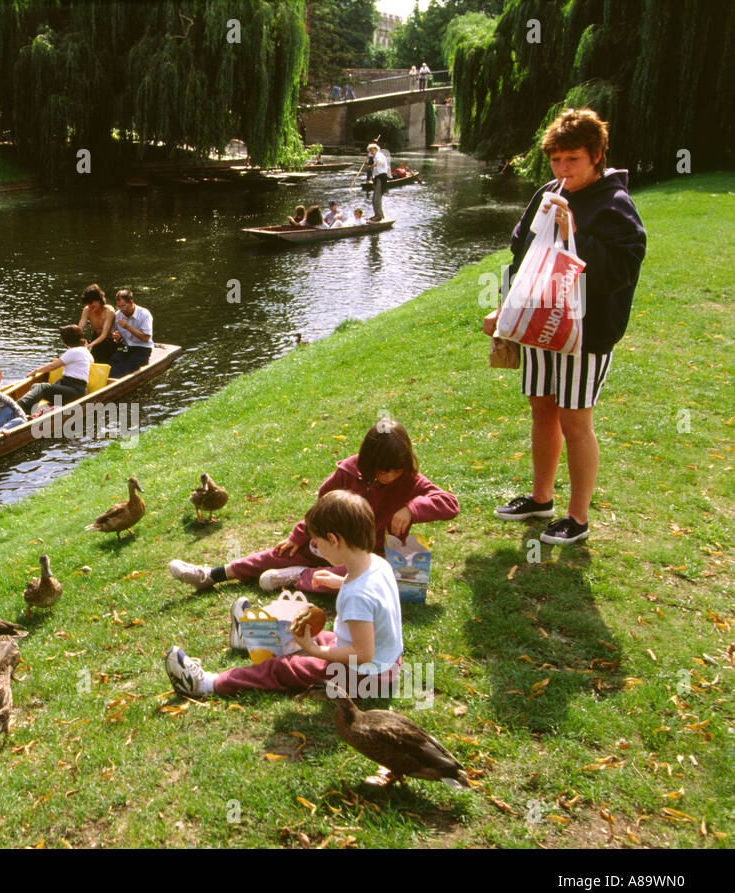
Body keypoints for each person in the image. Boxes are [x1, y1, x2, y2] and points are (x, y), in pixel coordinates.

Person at [490, 108, 646, 545]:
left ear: (597, 156)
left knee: (575, 420)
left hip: (586, 333)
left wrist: (576, 233)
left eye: (572, 159)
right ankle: (542, 499)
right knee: (542, 407)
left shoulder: (616, 205)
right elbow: (521, 254)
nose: (563, 169)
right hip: (539, 325)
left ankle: (578, 518)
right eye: (556, 160)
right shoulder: (548, 192)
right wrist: (504, 310)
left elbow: (621, 272)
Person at [168, 420, 459, 594]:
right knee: (276, 554)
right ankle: (213, 574)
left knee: (358, 581)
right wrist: (299, 536)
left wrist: (412, 509)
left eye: (396, 471)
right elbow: (321, 508)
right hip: (327, 545)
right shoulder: (348, 472)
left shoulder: (409, 480)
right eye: (383, 471)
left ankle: (298, 577)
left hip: (365, 557)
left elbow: (449, 503)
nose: (390, 477)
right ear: (368, 462)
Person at [164, 490, 403, 699]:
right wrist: (341, 581)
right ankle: (252, 637)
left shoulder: (356, 597)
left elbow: (362, 654)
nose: (316, 549)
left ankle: (205, 683)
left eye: (318, 543)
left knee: (284, 668)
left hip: (366, 678)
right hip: (386, 663)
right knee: (309, 634)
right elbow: (373, 598)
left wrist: (315, 651)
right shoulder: (377, 564)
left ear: (333, 540)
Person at [16, 324, 93, 414]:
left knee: (43, 387)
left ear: (66, 340)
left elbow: (53, 366)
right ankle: (28, 412)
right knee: (35, 387)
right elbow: (90, 361)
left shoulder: (74, 351)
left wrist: (36, 371)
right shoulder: (85, 351)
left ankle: (18, 407)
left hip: (75, 391)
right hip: (74, 389)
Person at [108, 289, 154, 379]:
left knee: (131, 366)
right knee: (114, 360)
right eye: (119, 307)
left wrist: (128, 327)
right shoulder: (118, 315)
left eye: (124, 306)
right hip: (126, 347)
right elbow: (111, 333)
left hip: (142, 348)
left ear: (131, 302)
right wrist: (114, 336)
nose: (122, 310)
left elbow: (146, 338)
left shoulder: (144, 314)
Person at [77, 283, 119, 364]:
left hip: (109, 340)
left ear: (99, 300)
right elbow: (80, 327)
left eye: (91, 303)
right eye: (87, 303)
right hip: (95, 338)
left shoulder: (109, 311)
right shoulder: (87, 309)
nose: (89, 306)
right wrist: (76, 341)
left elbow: (104, 334)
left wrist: (91, 345)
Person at [354, 141, 390, 221]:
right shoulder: (375, 156)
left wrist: (371, 166)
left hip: (381, 178)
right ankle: (377, 215)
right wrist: (374, 181)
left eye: (371, 150)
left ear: (375, 149)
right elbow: (376, 171)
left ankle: (379, 216)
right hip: (377, 178)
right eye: (369, 150)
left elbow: (380, 163)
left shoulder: (379, 155)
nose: (370, 151)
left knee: (376, 199)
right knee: (374, 199)